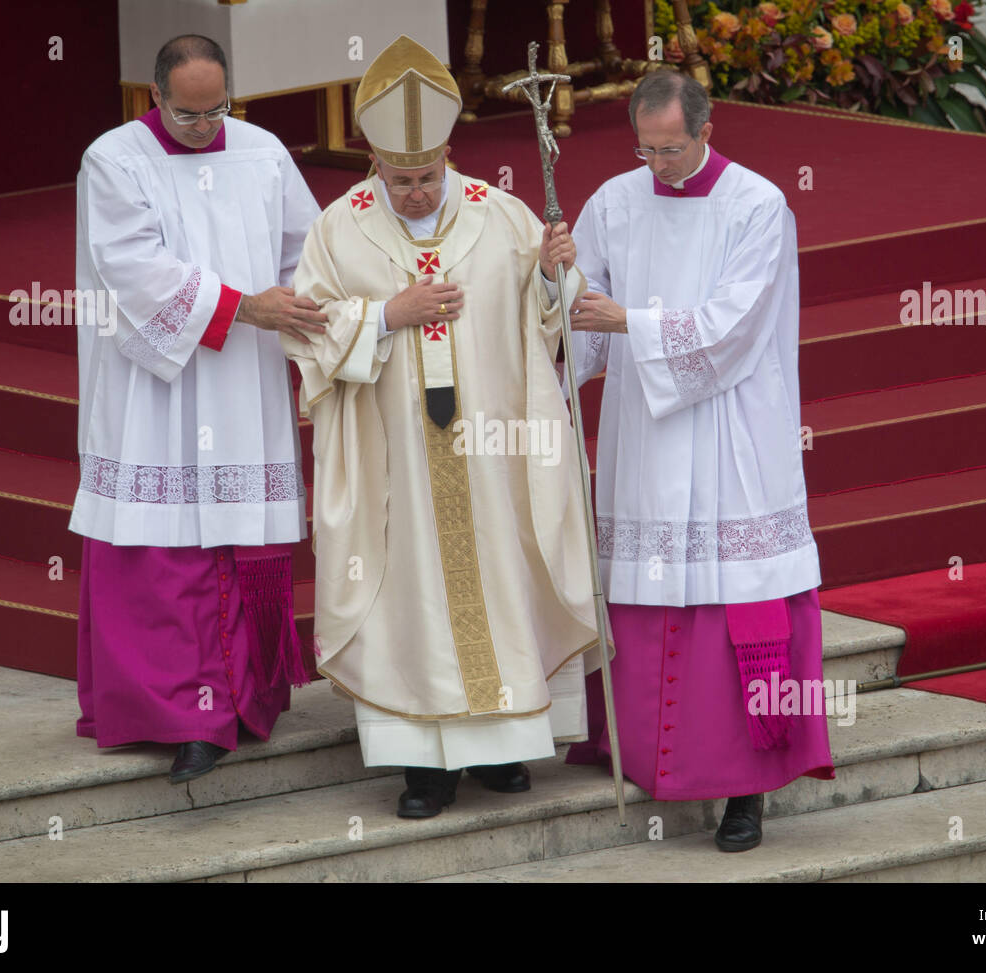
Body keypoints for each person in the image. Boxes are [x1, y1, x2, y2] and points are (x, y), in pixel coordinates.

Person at [285, 34, 603, 818]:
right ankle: (421, 763)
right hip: (397, 463)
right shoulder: (339, 227)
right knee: (410, 599)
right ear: (375, 163)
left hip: (492, 453)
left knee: (503, 578)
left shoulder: (503, 215)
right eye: (402, 179)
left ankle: (505, 748)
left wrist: (560, 269)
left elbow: (554, 317)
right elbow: (306, 326)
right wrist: (390, 314)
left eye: (427, 176)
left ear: (449, 155)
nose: (418, 191)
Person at [564, 69, 834, 851]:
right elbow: (578, 322)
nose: (659, 166)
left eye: (672, 150)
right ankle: (641, 751)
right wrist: (557, 283)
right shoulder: (615, 200)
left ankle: (748, 792)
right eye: (646, 149)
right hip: (644, 434)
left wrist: (629, 322)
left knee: (736, 599)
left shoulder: (758, 206)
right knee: (648, 593)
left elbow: (733, 328)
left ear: (707, 132)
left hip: (731, 432)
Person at [70, 34, 326, 783]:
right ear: (155, 98)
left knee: (237, 538)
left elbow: (306, 249)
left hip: (243, 382)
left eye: (219, 108)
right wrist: (246, 306)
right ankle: (182, 714)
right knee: (166, 547)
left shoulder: (262, 151)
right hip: (158, 387)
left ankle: (246, 699)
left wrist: (311, 312)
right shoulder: (113, 160)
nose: (207, 125)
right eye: (189, 114)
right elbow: (131, 269)